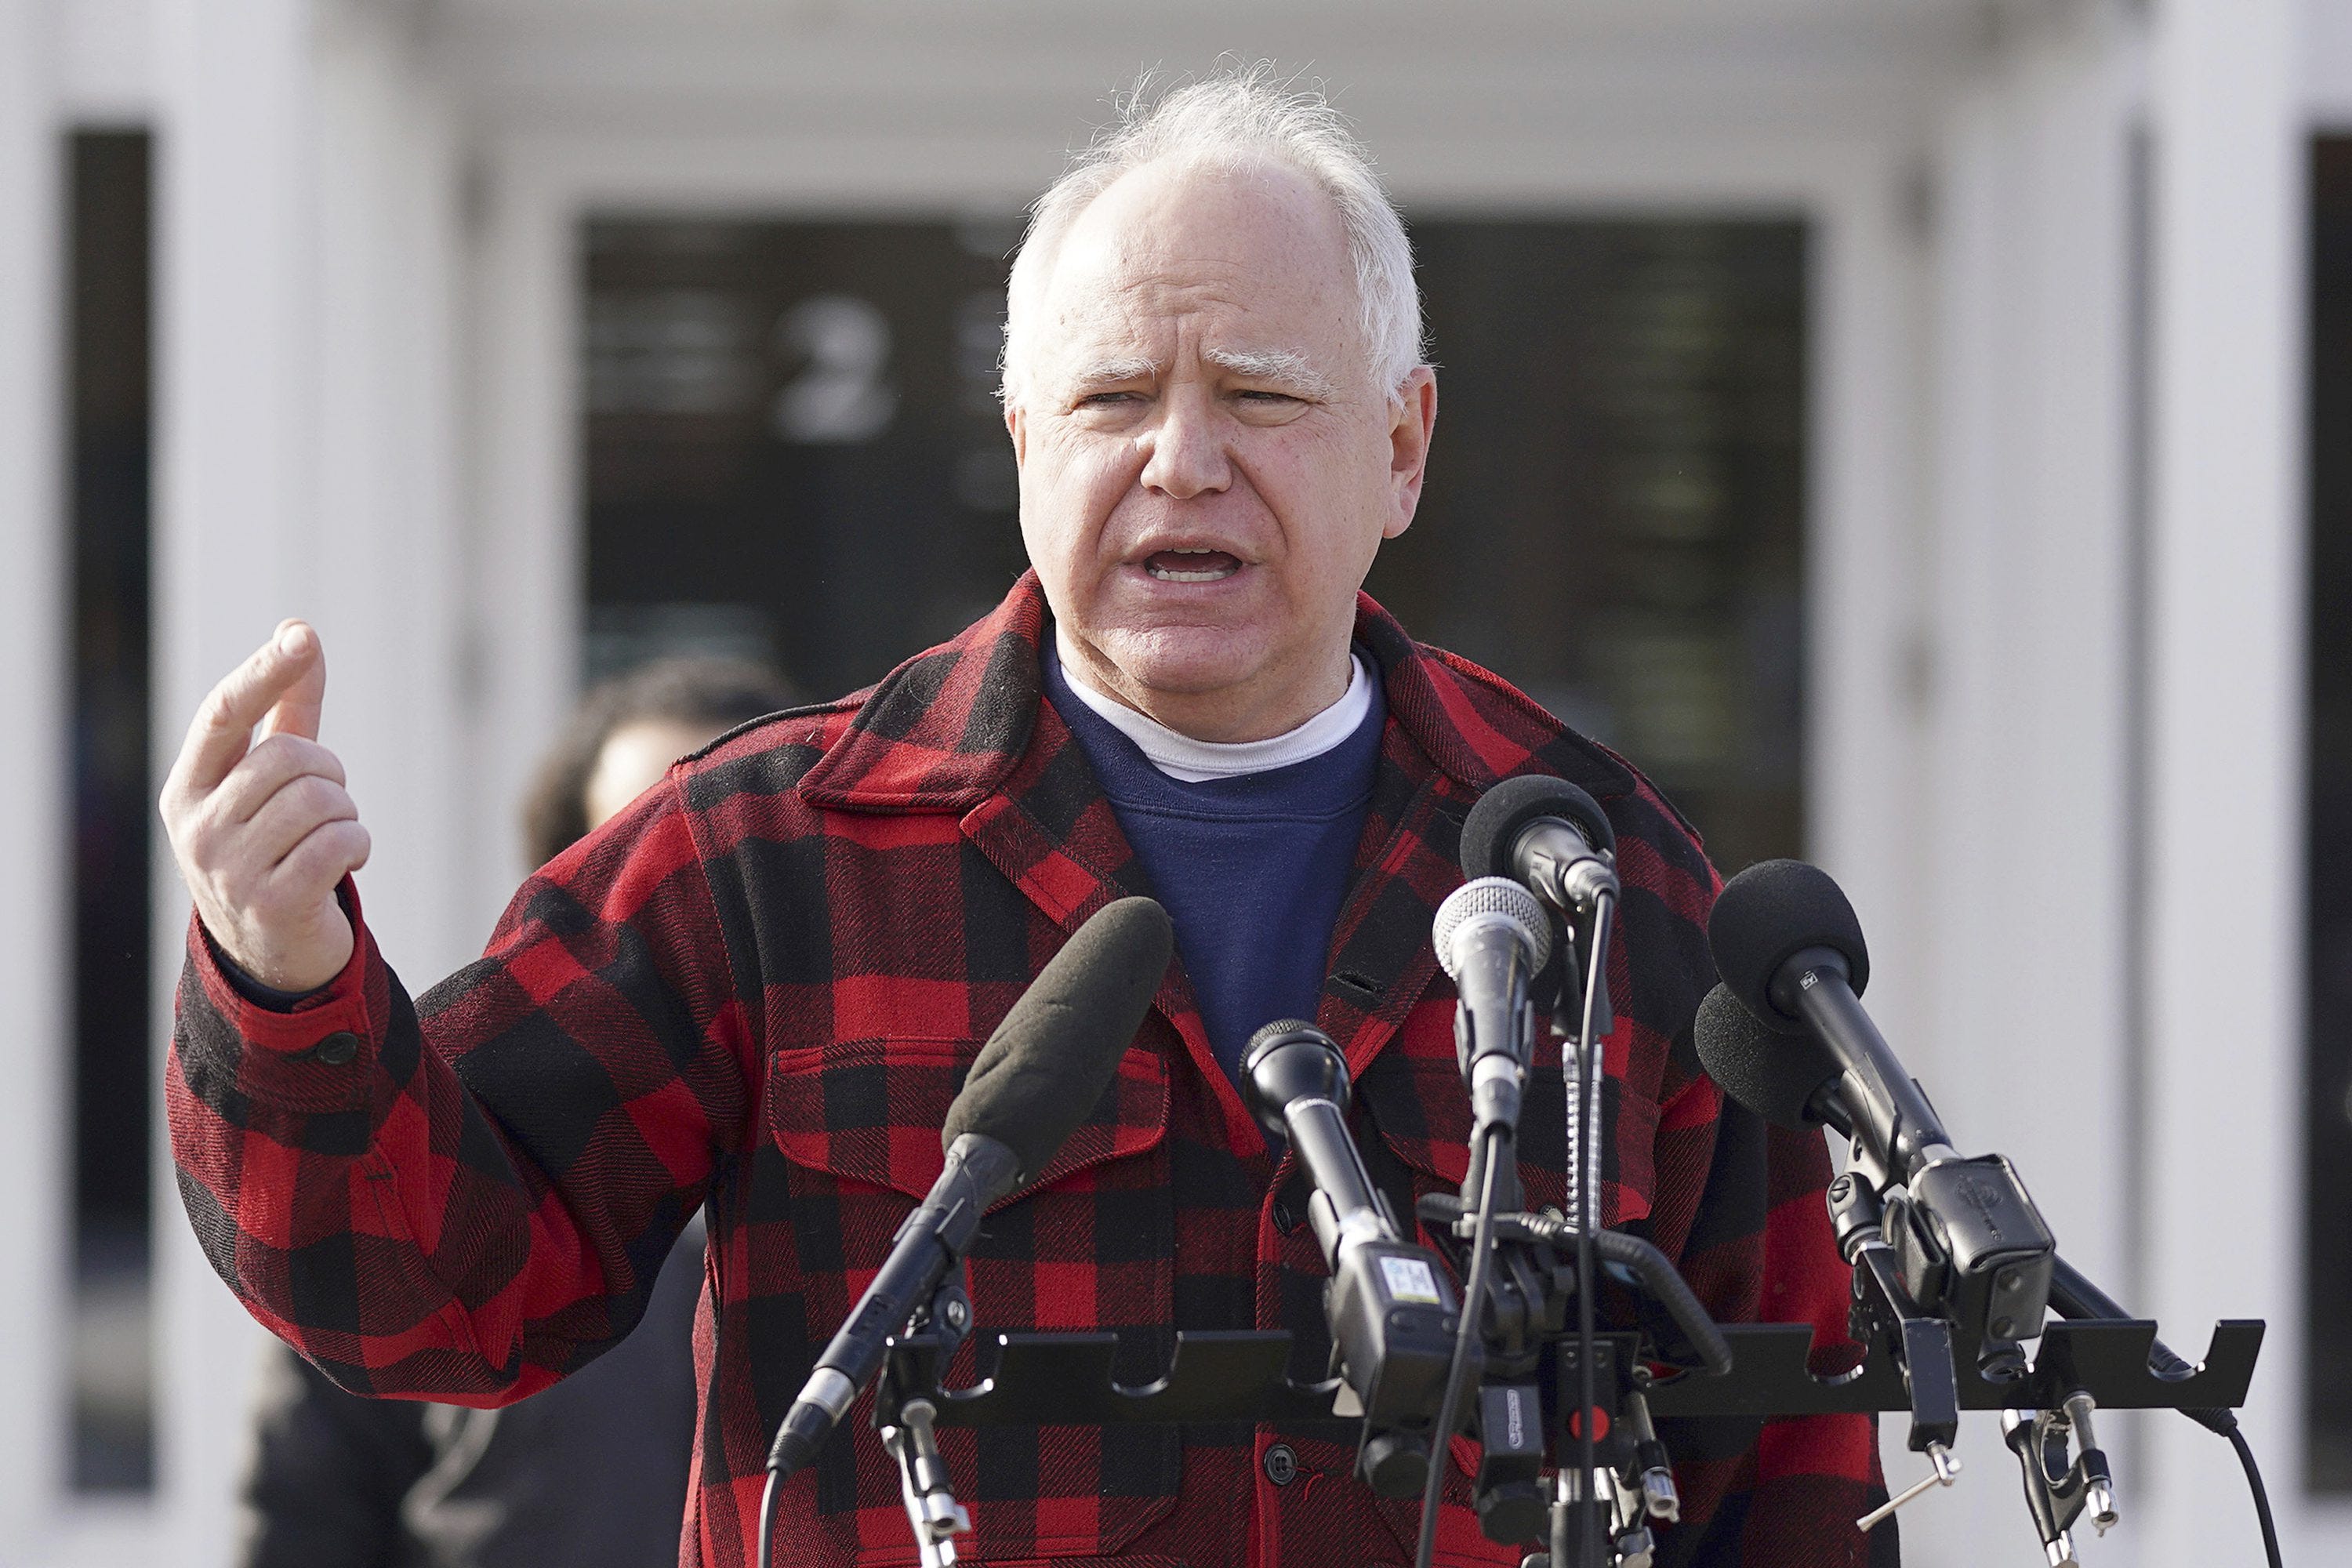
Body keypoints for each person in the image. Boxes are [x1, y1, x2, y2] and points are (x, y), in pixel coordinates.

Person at [163, 67, 1889, 1568]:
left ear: (1405, 443)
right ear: (1018, 443)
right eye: (1112, 399)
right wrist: (285, 973)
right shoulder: (770, 854)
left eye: (1264, 394)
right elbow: (438, 1287)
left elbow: (1791, 1447)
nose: (1182, 460)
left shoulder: (1593, 875)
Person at [234, 658, 794, 1568]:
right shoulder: (443, 1158)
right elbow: (302, 1522)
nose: (683, 907)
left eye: (725, 865)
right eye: (640, 855)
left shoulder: (904, 1173)